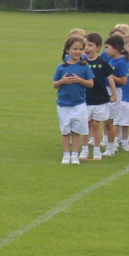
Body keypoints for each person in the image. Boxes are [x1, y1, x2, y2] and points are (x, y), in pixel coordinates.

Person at [54, 35, 92, 163]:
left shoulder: (84, 67)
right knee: (65, 131)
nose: (78, 52)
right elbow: (55, 84)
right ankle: (66, 154)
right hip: (63, 104)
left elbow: (91, 83)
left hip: (79, 104)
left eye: (80, 49)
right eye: (75, 49)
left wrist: (80, 80)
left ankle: (75, 155)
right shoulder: (61, 67)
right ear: (68, 50)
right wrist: (62, 81)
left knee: (76, 131)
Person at [105, 32, 129, 151]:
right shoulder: (112, 61)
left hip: (115, 91)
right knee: (107, 120)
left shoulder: (120, 62)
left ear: (115, 48)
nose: (105, 50)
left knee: (111, 120)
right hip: (107, 90)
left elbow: (123, 81)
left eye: (107, 47)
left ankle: (112, 145)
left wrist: (110, 76)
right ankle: (109, 143)